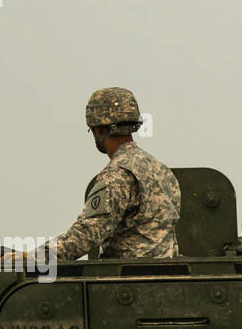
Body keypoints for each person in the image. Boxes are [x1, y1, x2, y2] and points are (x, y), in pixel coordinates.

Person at [47, 87, 182, 262]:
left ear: (100, 130)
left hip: (127, 281)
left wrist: (34, 256)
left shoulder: (117, 175)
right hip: (167, 277)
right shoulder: (161, 171)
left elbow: (86, 235)